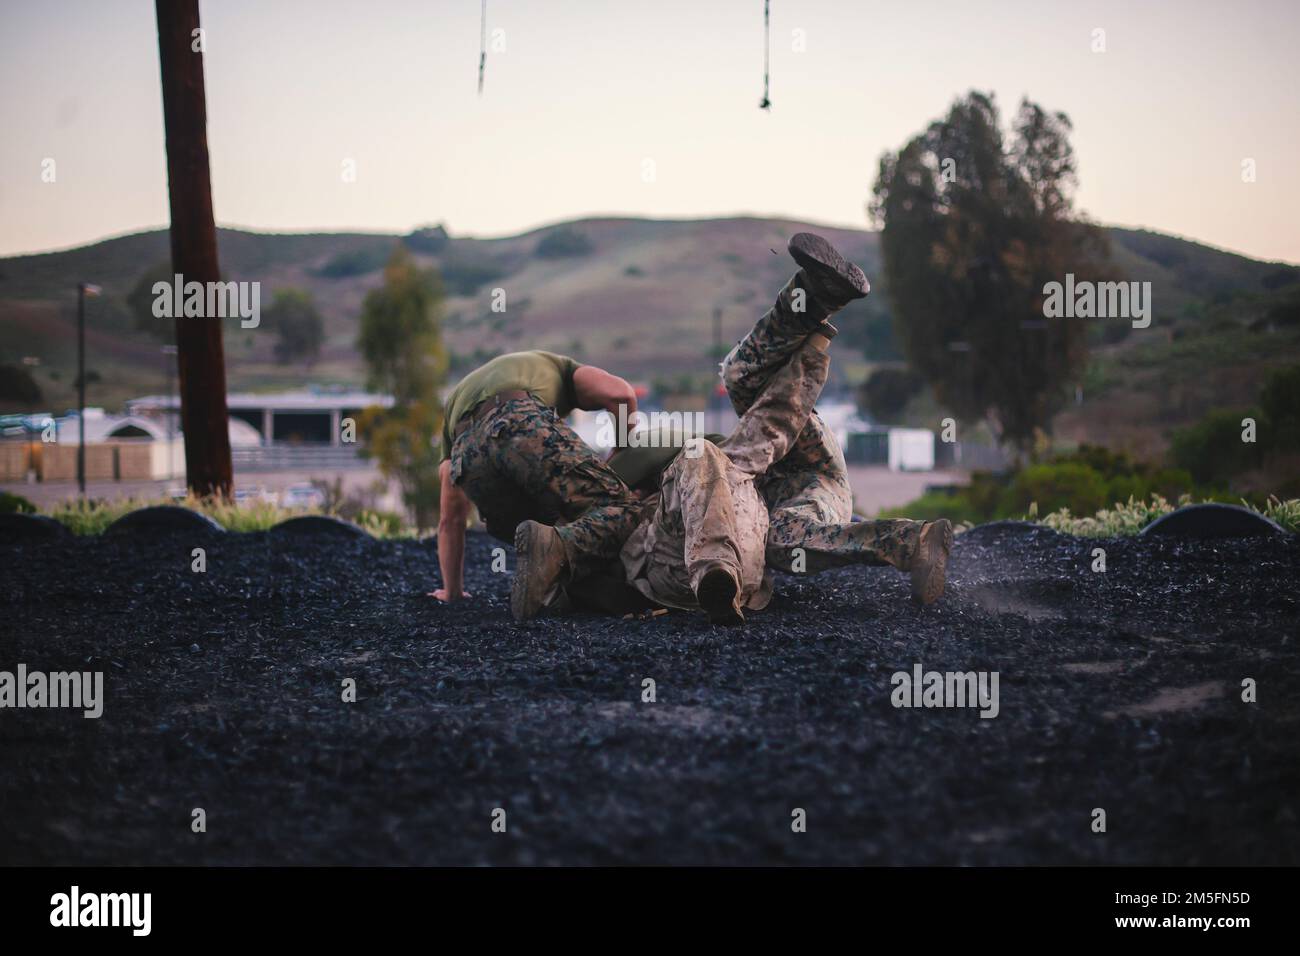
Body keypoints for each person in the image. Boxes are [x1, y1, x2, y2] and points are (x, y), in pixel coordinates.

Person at [532, 233, 951, 620]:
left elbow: (755, 437)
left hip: (783, 459)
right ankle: (914, 542)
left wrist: (809, 360)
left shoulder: (662, 462)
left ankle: (815, 292)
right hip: (797, 484)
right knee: (780, 533)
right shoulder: (681, 495)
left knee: (739, 379)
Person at [434, 350, 641, 621]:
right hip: (519, 421)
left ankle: (560, 587)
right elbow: (621, 394)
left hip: (469, 457)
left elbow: (450, 513)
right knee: (623, 507)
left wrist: (453, 592)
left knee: (547, 526)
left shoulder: (457, 401)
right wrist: (621, 451)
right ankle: (560, 560)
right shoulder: (564, 369)